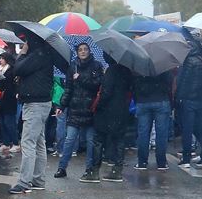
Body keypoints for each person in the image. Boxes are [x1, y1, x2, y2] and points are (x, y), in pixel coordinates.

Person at [9, 36, 55, 194]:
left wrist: (22, 53)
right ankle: (38, 179)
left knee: (28, 142)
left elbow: (18, 69)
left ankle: (24, 182)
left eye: (26, 41)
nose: (25, 44)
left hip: (34, 104)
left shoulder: (38, 55)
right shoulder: (45, 55)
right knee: (39, 142)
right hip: (42, 102)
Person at [54, 43, 102, 178]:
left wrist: (80, 78)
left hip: (90, 109)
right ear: (77, 52)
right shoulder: (72, 67)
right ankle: (62, 168)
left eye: (85, 49)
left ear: (89, 51)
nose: (83, 51)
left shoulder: (97, 66)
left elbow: (97, 85)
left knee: (90, 141)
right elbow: (68, 89)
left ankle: (89, 169)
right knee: (69, 140)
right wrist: (61, 106)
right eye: (80, 50)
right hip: (75, 109)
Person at [84, 54, 132, 183]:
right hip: (122, 109)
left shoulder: (111, 70)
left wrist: (97, 106)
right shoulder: (127, 70)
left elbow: (106, 92)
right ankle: (117, 170)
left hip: (107, 111)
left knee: (98, 140)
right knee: (119, 140)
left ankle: (94, 171)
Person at [175, 31, 202, 168]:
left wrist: (178, 98)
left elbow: (183, 81)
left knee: (187, 130)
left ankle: (186, 158)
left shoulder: (187, 62)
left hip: (188, 100)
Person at [134, 66, 174, 171]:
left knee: (143, 133)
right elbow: (169, 80)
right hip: (161, 100)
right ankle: (161, 163)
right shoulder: (163, 62)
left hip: (143, 101)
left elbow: (133, 82)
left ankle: (142, 162)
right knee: (161, 133)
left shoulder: (139, 62)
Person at [0, 52, 20, 158]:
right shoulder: (0, 69)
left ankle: (16, 143)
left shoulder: (11, 70)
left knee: (9, 121)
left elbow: (11, 84)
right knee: (2, 122)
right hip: (1, 98)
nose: (1, 60)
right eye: (0, 58)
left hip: (10, 98)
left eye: (3, 58)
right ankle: (6, 143)